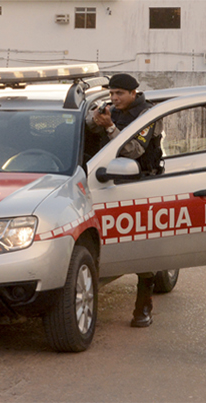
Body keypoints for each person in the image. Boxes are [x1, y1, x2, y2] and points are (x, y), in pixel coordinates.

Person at [84, 73, 163, 327]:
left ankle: (143, 307)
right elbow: (87, 128)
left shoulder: (148, 115)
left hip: (142, 183)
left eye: (119, 93)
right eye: (112, 93)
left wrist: (108, 127)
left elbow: (134, 150)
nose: (114, 98)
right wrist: (96, 120)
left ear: (133, 93)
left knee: (144, 247)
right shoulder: (112, 110)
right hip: (108, 182)